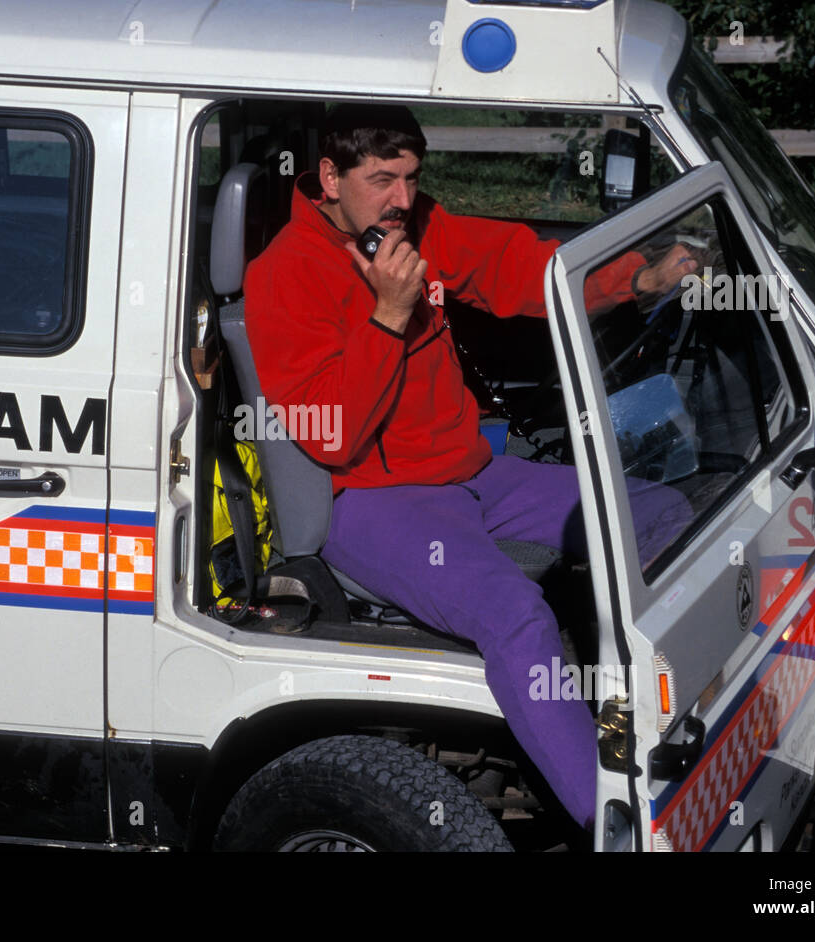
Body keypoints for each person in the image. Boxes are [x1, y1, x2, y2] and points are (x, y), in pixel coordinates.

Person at [242, 104, 695, 832]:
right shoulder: (282, 275)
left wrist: (633, 280)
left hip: (475, 475)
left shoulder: (414, 230)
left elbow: (518, 267)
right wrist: (388, 317)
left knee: (668, 518)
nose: (401, 198)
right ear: (328, 178)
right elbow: (333, 435)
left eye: (412, 178)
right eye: (381, 179)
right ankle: (617, 824)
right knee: (515, 616)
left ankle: (666, 730)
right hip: (374, 502)